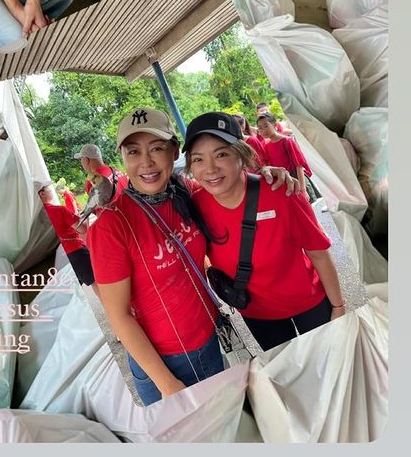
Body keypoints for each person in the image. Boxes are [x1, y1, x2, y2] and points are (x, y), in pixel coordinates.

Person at [86, 108, 225, 405]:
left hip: (209, 341)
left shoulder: (184, 193)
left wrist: (265, 175)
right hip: (163, 365)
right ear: (122, 158)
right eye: (133, 152)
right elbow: (118, 315)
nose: (146, 163)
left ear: (174, 151)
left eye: (157, 149)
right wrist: (167, 384)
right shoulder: (111, 226)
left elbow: (231, 186)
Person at [184, 111, 345, 352]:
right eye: (198, 160)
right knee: (288, 377)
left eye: (221, 154)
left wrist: (339, 307)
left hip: (309, 304)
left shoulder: (281, 190)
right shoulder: (194, 204)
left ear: (242, 154)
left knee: (333, 366)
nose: (210, 169)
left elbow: (318, 253)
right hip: (258, 316)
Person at [38, 184, 95, 287]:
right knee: (95, 283)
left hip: (55, 258)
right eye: (49, 190)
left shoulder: (36, 218)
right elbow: (82, 229)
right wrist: (86, 215)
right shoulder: (59, 210)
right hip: (75, 251)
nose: (51, 192)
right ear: (42, 194)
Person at [256, 113, 311, 194]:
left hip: (296, 178)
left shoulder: (286, 141)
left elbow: (298, 165)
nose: (263, 130)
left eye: (266, 126)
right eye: (260, 128)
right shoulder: (266, 146)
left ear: (274, 124)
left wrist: (303, 189)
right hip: (283, 181)